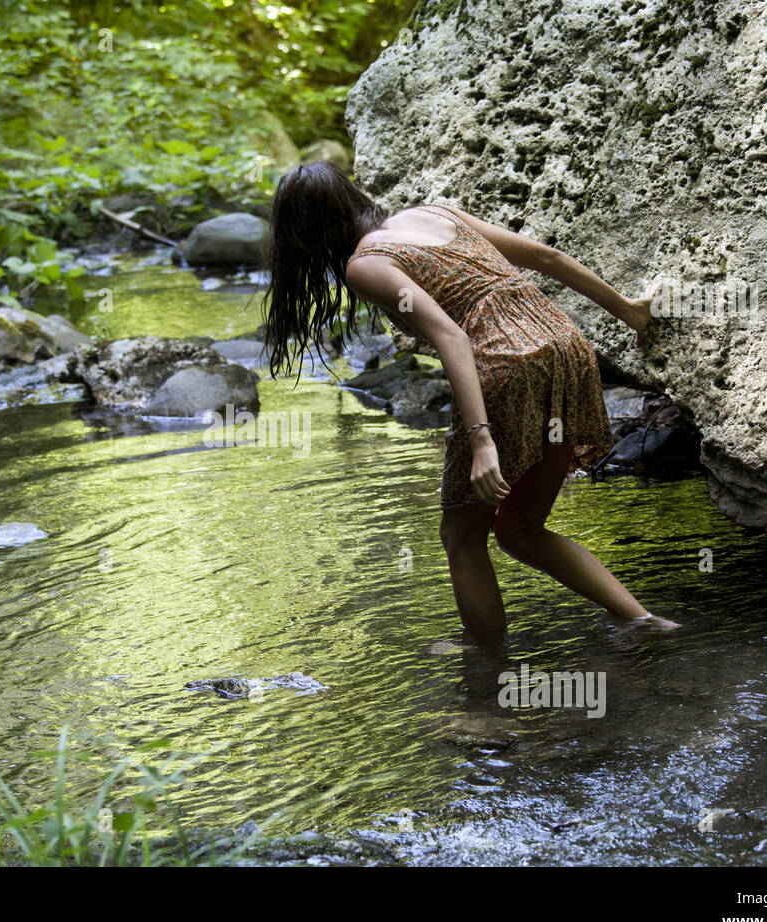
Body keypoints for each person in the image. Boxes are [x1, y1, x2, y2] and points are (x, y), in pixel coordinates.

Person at [261, 162, 677, 636]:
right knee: (519, 531)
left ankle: (484, 674)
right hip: (565, 345)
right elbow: (546, 257)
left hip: (504, 367)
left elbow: (452, 338)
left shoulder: (365, 264)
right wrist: (627, 310)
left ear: (305, 235)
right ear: (352, 196)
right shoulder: (435, 213)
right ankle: (645, 623)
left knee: (460, 536)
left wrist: (482, 442)